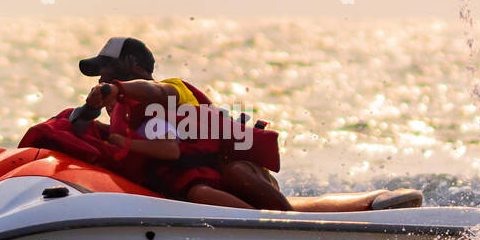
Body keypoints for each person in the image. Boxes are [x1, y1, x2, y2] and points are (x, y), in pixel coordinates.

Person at [76, 37, 423, 212]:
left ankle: (288, 232)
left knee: (217, 186)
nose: (102, 76)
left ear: (133, 65)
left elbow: (155, 91)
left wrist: (117, 89)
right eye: (100, 75)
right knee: (200, 192)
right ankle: (368, 202)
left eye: (108, 68)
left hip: (233, 171)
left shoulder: (171, 89)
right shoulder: (120, 112)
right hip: (186, 182)